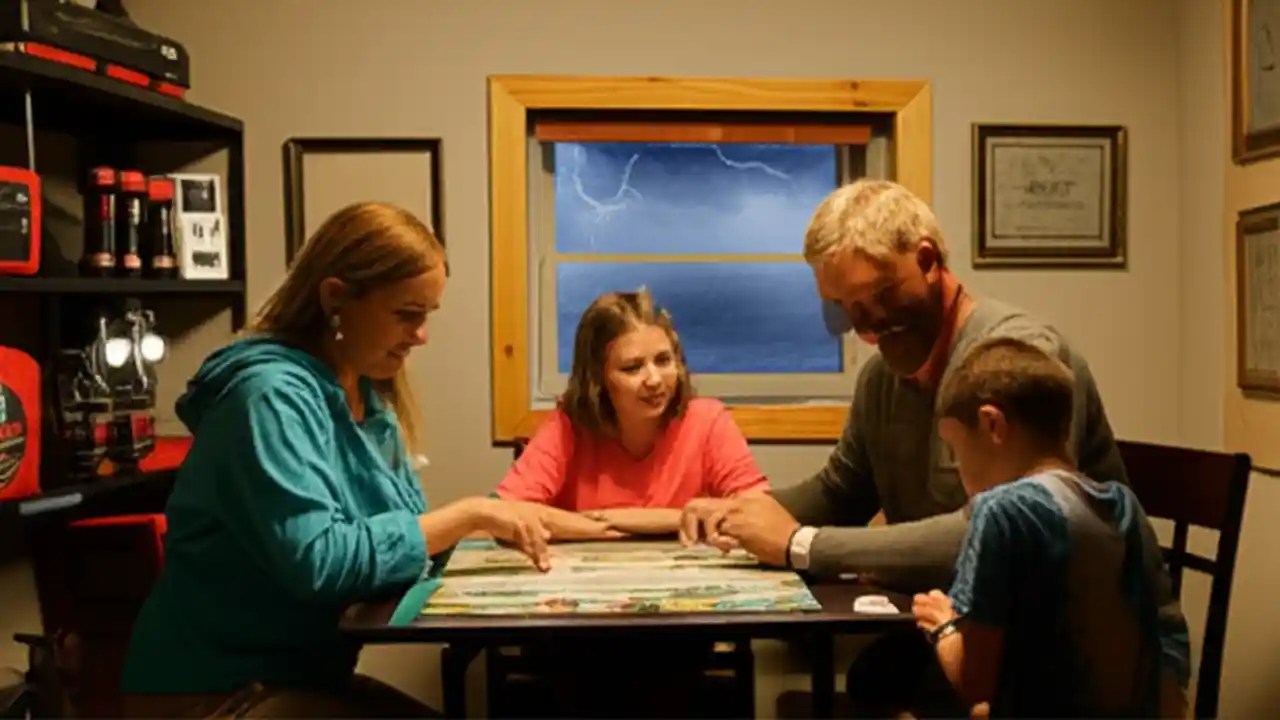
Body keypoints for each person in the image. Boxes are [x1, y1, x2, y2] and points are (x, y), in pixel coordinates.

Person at [675, 179, 1185, 713]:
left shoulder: (1012, 357)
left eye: (882, 295)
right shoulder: (881, 380)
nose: (867, 327)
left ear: (928, 260)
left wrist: (801, 545)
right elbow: (841, 488)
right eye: (845, 310)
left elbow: (996, 528)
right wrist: (743, 514)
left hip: (1080, 648)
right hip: (972, 621)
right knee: (875, 676)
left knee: (887, 684)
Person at [120, 202, 560, 718]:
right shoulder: (268, 398)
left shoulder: (366, 396)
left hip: (294, 678)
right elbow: (321, 563)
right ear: (335, 298)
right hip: (212, 690)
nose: (421, 335)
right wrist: (466, 517)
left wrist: (479, 530)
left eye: (427, 315)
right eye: (407, 314)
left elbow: (402, 541)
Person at [912, 336, 1190, 717]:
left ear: (992, 424)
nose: (958, 469)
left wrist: (943, 627)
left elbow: (974, 682)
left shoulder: (1003, 512)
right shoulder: (1122, 504)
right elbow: (1165, 633)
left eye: (955, 449)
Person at [496, 289, 769, 536]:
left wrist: (597, 522)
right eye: (632, 368)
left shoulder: (708, 421)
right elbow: (504, 514)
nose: (654, 380)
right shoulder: (568, 426)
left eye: (663, 361)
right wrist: (685, 519)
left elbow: (762, 512)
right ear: (598, 379)